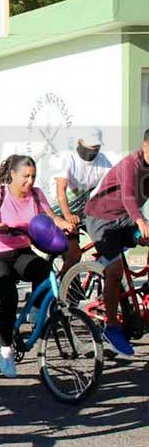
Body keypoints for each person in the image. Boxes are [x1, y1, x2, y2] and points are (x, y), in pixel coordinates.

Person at [0, 155, 73, 377]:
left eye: (33, 176)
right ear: (13, 175)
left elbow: (51, 217)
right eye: (25, 176)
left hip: (20, 251)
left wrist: (65, 224)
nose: (30, 181)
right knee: (8, 294)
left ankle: (35, 310)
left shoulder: (36, 195)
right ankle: (6, 352)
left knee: (45, 272)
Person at [81, 129, 149, 357]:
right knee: (114, 270)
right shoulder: (131, 164)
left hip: (125, 218)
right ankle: (111, 325)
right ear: (145, 145)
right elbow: (128, 196)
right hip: (101, 219)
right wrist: (140, 220)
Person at [53, 128, 112, 275]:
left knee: (109, 243)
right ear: (80, 143)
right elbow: (61, 192)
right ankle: (62, 283)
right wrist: (67, 215)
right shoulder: (68, 159)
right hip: (61, 211)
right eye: (90, 147)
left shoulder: (103, 161)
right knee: (74, 254)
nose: (92, 152)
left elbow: (111, 187)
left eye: (96, 148)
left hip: (85, 212)